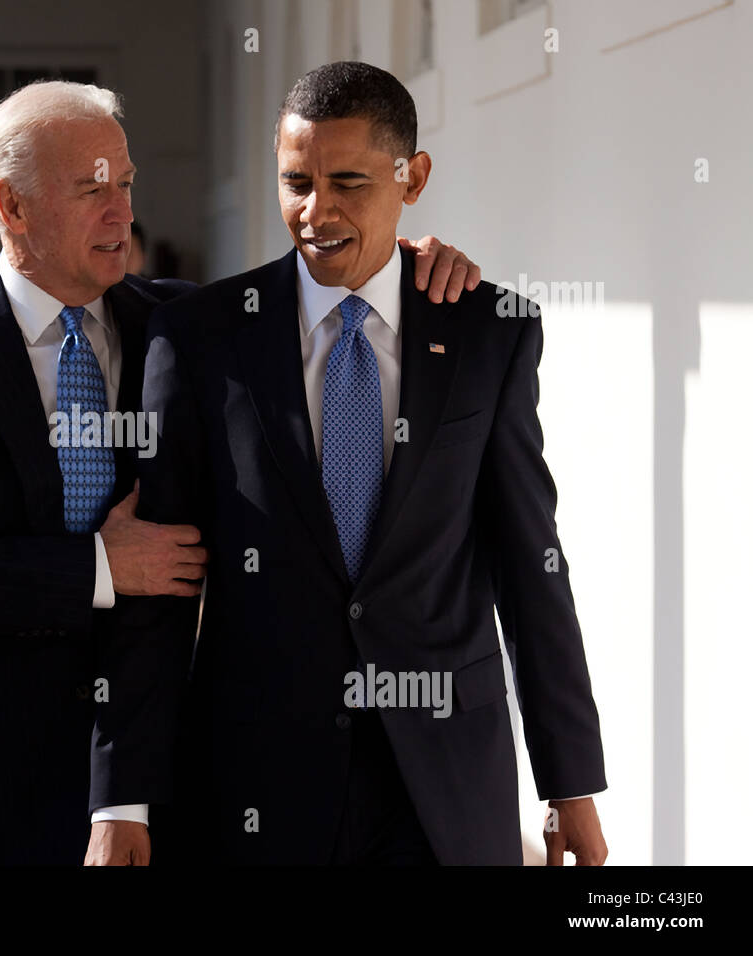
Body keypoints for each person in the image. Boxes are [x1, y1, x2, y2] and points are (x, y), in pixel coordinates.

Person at [0, 79, 478, 865]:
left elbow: (326, 274)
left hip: (158, 761)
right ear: (11, 206)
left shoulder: (182, 327)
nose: (122, 211)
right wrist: (100, 567)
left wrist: (407, 262)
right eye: (92, 190)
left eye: (126, 183)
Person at [89, 62, 607, 866]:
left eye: (348, 183)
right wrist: (122, 796)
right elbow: (161, 585)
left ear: (413, 178)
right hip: (257, 783)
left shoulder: (488, 332)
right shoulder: (200, 338)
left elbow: (529, 562)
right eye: (295, 181)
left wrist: (570, 781)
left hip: (444, 782)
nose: (314, 211)